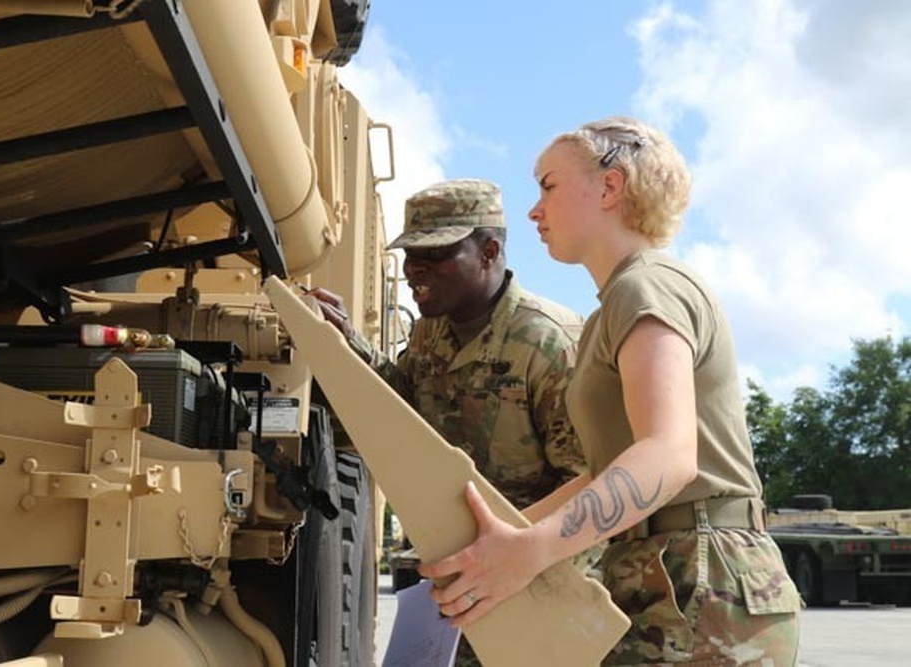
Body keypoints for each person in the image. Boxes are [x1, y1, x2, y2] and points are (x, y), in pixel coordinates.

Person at [418, 119, 802, 665]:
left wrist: (531, 551)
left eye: (548, 185)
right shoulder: (610, 313)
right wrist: (502, 542)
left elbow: (667, 456)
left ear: (610, 187)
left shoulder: (646, 286)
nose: (534, 210)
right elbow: (605, 473)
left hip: (701, 580)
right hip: (668, 573)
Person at [310, 178, 592, 666]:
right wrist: (348, 344)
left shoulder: (547, 343)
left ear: (489, 251)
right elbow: (406, 413)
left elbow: (592, 489)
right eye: (410, 254)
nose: (415, 268)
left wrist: (550, 608)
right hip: (456, 586)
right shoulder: (429, 334)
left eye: (436, 253)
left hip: (529, 593)